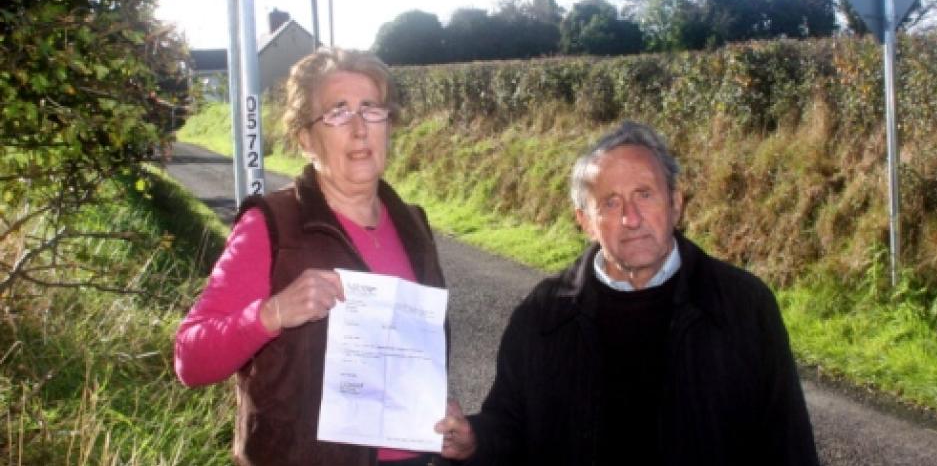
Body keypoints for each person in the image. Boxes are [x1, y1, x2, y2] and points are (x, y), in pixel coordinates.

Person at [436, 120, 821, 465]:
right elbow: (509, 425)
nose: (631, 218)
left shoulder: (742, 305)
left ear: (676, 203)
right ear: (585, 221)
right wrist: (476, 441)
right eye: (610, 202)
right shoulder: (541, 316)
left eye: (645, 194)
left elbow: (788, 442)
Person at [175, 48, 447, 466]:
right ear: (306, 138)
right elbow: (190, 359)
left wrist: (450, 428)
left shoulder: (414, 225)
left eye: (371, 110)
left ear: (388, 124)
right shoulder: (271, 226)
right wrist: (271, 314)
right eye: (337, 113)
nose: (359, 129)